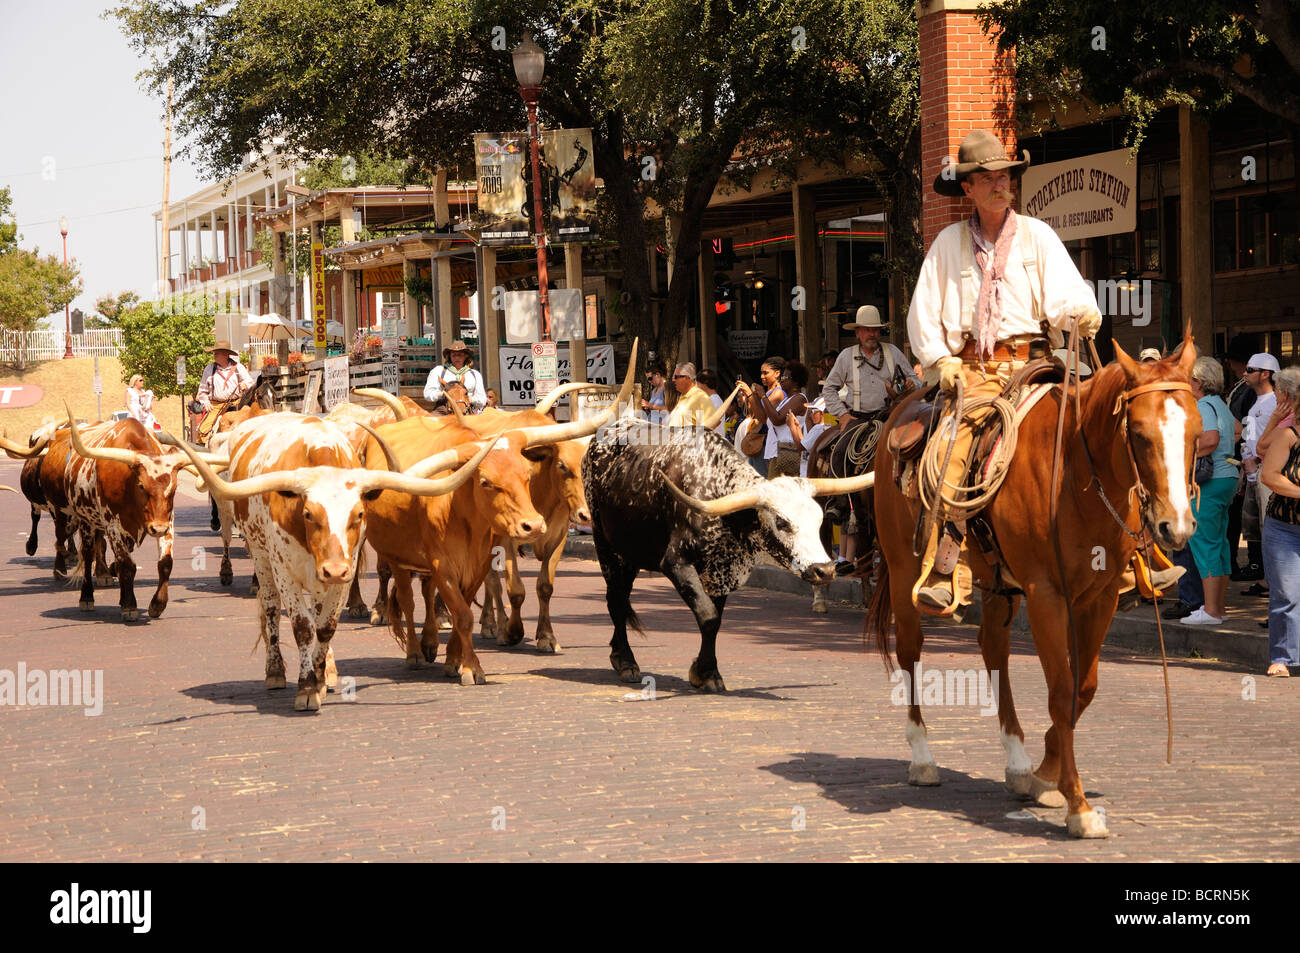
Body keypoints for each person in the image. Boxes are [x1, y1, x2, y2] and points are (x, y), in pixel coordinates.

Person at [905, 129, 1104, 612]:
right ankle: (947, 564)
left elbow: (1068, 292)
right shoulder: (948, 244)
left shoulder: (1038, 235)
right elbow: (922, 312)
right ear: (967, 188)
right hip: (973, 371)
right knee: (953, 450)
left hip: (1037, 366)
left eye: (1005, 176)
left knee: (1101, 429)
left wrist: (1082, 311)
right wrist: (940, 360)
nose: (1000, 185)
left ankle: (1133, 553)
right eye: (988, 178)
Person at [1178, 357, 1241, 625]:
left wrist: (1186, 457)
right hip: (1227, 477)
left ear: (1198, 383)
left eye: (1188, 379)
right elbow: (1237, 430)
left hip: (1210, 481)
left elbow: (1211, 439)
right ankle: (1218, 608)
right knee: (1220, 544)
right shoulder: (1221, 404)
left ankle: (1211, 611)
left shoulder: (1202, 405)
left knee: (1204, 543)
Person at [1261, 365, 1300, 675]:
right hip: (1284, 527)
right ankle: (1283, 659)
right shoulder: (1288, 435)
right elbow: (1270, 475)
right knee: (1286, 593)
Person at [822, 305, 918, 425]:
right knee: (841, 444)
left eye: (875, 330)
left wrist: (911, 384)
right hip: (857, 420)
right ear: (857, 333)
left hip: (889, 418)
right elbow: (829, 389)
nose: (872, 334)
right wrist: (843, 414)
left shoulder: (893, 352)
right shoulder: (846, 356)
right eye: (867, 330)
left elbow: (916, 381)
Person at [1239, 352, 1279, 585]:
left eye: (1250, 370)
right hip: (1253, 472)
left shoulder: (1275, 402)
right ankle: (1268, 581)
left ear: (1265, 374)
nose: (1245, 374)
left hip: (1266, 471)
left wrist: (1258, 460)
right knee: (1257, 529)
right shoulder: (1256, 402)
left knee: (1270, 528)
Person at [1224, 336, 1258, 579]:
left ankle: (1254, 564)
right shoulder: (1240, 387)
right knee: (1237, 516)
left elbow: (1250, 427)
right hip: (1239, 457)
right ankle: (1235, 561)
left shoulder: (1249, 392)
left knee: (1246, 516)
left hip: (1244, 458)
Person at [196, 341, 254, 442]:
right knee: (202, 432)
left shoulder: (238, 367)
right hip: (216, 405)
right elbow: (202, 390)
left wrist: (245, 385)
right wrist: (206, 403)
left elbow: (250, 382)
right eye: (214, 353)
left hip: (237, 402)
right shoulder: (209, 369)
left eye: (217, 353)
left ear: (225, 354)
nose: (214, 355)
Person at [424, 340, 486, 412]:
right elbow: (427, 394)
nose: (457, 357)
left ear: (466, 356)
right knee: (431, 422)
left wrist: (469, 399)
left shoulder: (475, 375)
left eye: (460, 354)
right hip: (444, 409)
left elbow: (482, 399)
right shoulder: (438, 371)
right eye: (454, 354)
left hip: (467, 410)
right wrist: (442, 394)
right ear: (449, 356)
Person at [666, 362, 716, 427]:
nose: (673, 380)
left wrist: (694, 435)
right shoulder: (684, 396)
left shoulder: (699, 397)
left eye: (676, 377)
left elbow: (714, 422)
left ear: (687, 378)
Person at [695, 369, 727, 436]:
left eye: (697, 383)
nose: (696, 386)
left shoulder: (713, 401)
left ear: (705, 383)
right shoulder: (714, 399)